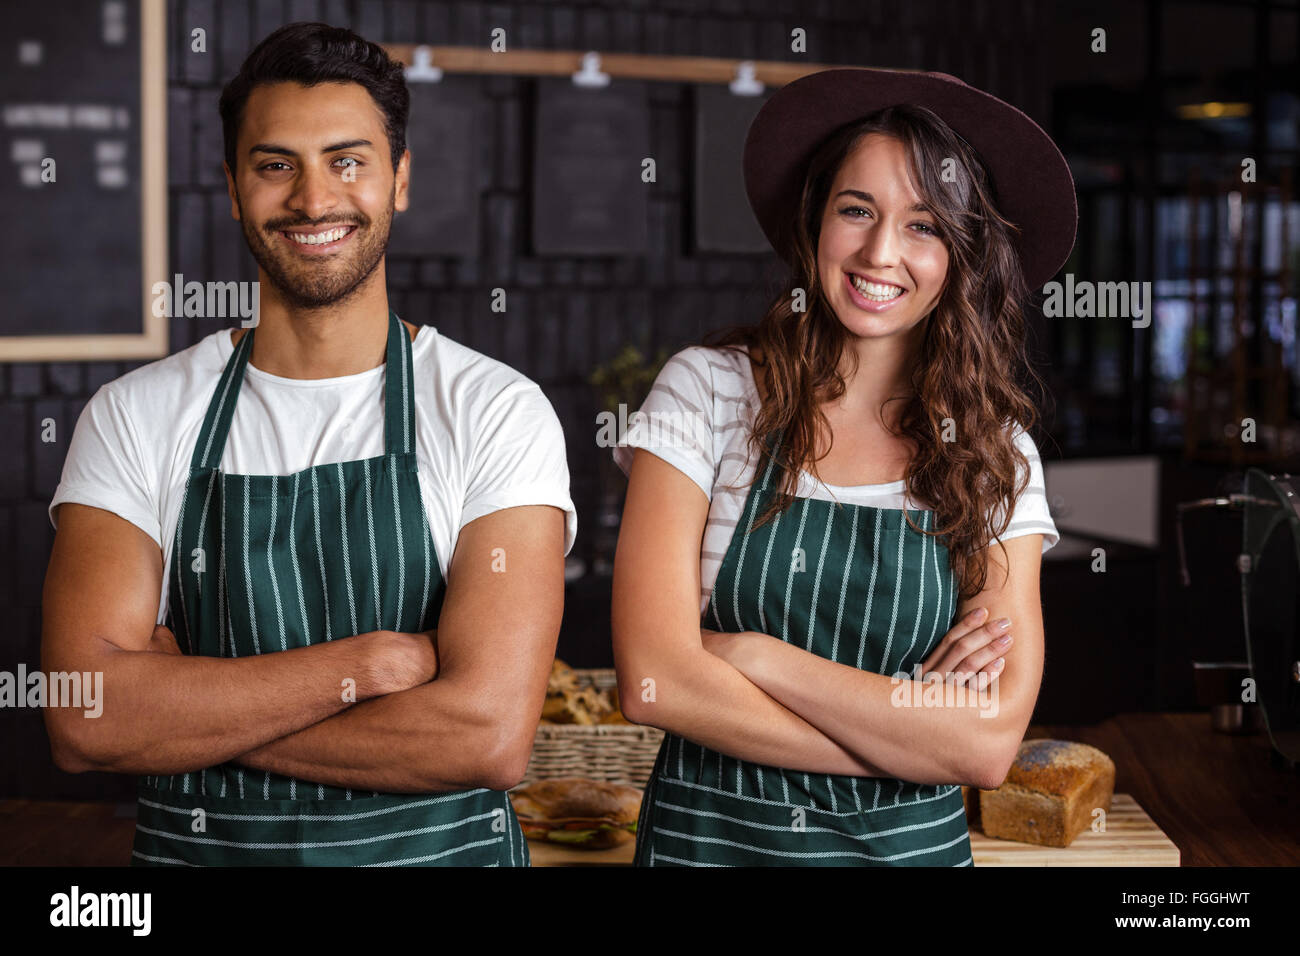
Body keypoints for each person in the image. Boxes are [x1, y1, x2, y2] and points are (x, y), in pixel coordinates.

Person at [41, 22, 576, 866]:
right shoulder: (132, 415)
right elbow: (83, 717)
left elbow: (485, 738)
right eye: (275, 163)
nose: (314, 200)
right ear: (231, 185)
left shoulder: (495, 412)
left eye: (348, 160)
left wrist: (190, 714)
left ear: (400, 179)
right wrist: (366, 665)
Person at [610, 68, 1075, 866]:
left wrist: (752, 655)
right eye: (856, 210)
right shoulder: (707, 392)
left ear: (964, 254)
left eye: (924, 225)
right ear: (816, 223)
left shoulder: (996, 453)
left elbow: (988, 746)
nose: (879, 252)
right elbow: (654, 680)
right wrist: (912, 734)